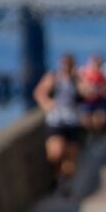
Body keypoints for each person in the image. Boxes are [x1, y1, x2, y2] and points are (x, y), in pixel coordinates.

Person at [34, 52, 84, 195]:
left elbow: (87, 92)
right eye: (64, 64)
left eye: (69, 64)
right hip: (56, 120)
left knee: (71, 158)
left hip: (73, 121)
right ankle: (57, 177)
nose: (66, 67)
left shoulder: (76, 79)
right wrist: (47, 104)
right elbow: (39, 92)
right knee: (55, 153)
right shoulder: (53, 77)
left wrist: (80, 80)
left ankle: (65, 183)